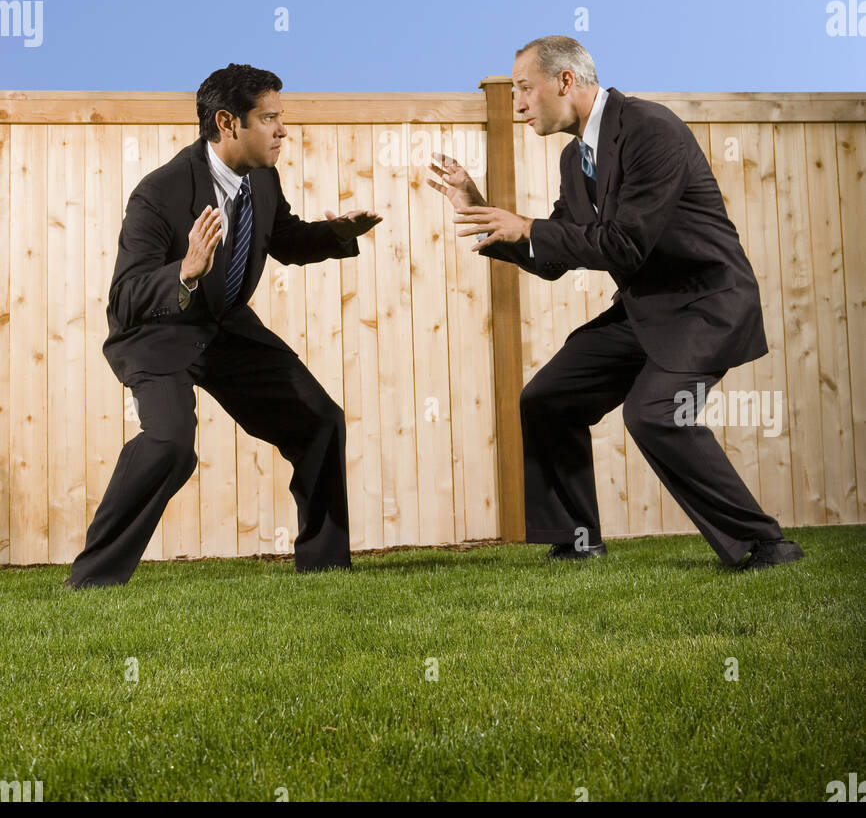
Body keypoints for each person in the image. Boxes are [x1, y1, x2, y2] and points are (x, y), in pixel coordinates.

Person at [427, 35, 803, 571]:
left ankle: (765, 544)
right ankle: (578, 541)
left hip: (707, 304)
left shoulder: (651, 129)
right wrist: (486, 211)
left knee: (654, 413)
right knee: (548, 398)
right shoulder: (573, 159)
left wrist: (527, 225)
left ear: (565, 81)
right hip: (646, 308)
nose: (518, 104)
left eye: (524, 89)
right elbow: (554, 254)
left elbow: (623, 241)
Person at [65, 63, 380, 588]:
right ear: (228, 122)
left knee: (320, 419)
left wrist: (337, 233)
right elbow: (124, 301)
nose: (282, 130)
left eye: (282, 117)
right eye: (270, 118)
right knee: (169, 445)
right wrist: (184, 272)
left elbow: (285, 238)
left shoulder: (262, 178)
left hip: (223, 327)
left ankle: (325, 568)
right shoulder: (158, 193)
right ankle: (93, 580)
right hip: (158, 333)